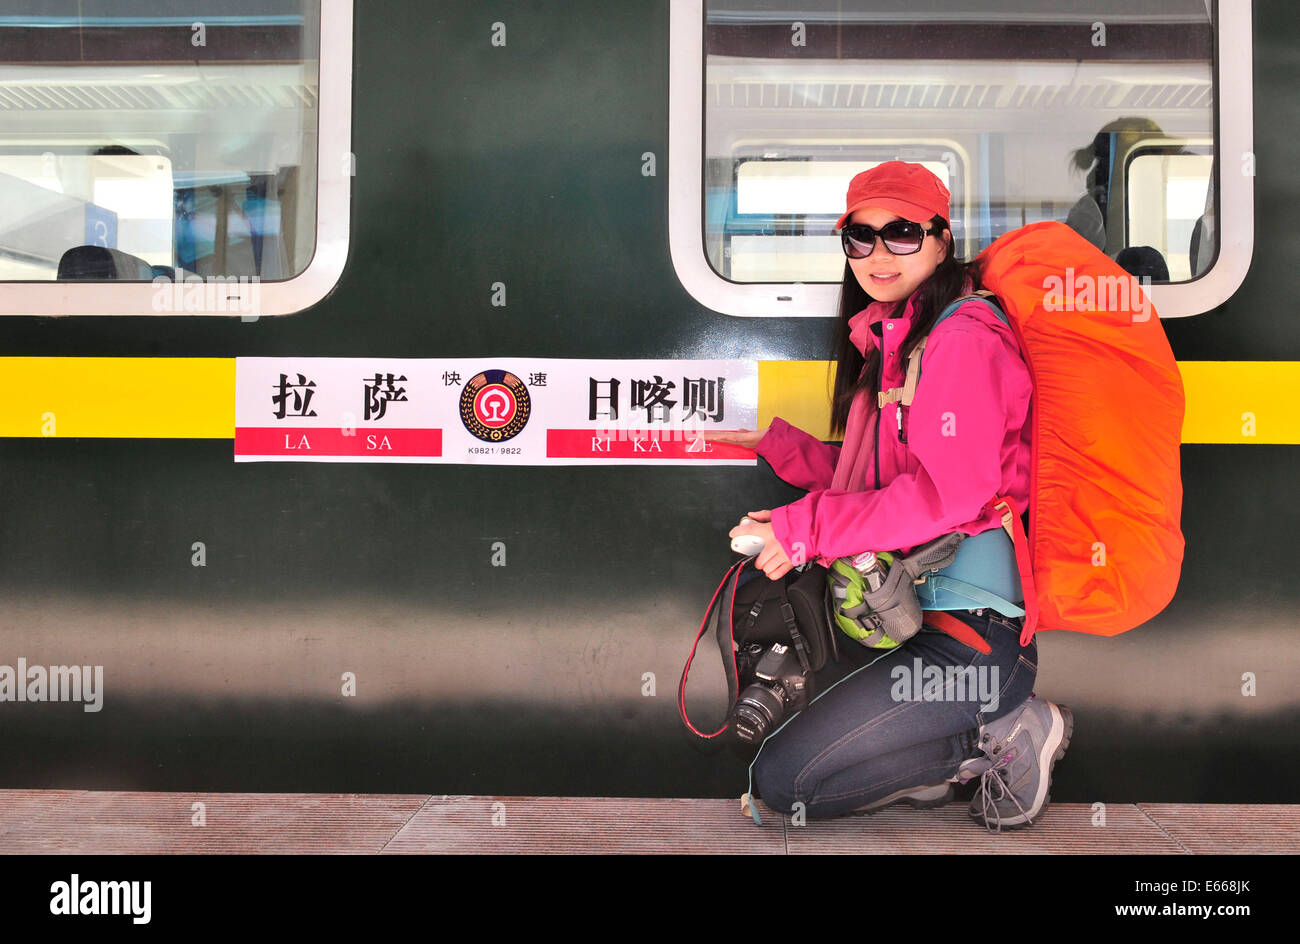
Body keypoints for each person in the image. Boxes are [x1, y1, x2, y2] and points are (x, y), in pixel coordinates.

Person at [703, 161, 1072, 831]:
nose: (877, 253)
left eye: (902, 233)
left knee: (782, 788)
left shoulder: (961, 339)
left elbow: (950, 496)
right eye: (859, 237)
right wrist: (776, 446)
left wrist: (800, 528)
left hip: (972, 640)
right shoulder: (900, 336)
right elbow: (879, 480)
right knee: (780, 784)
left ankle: (1001, 735)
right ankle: (930, 753)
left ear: (941, 239)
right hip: (908, 616)